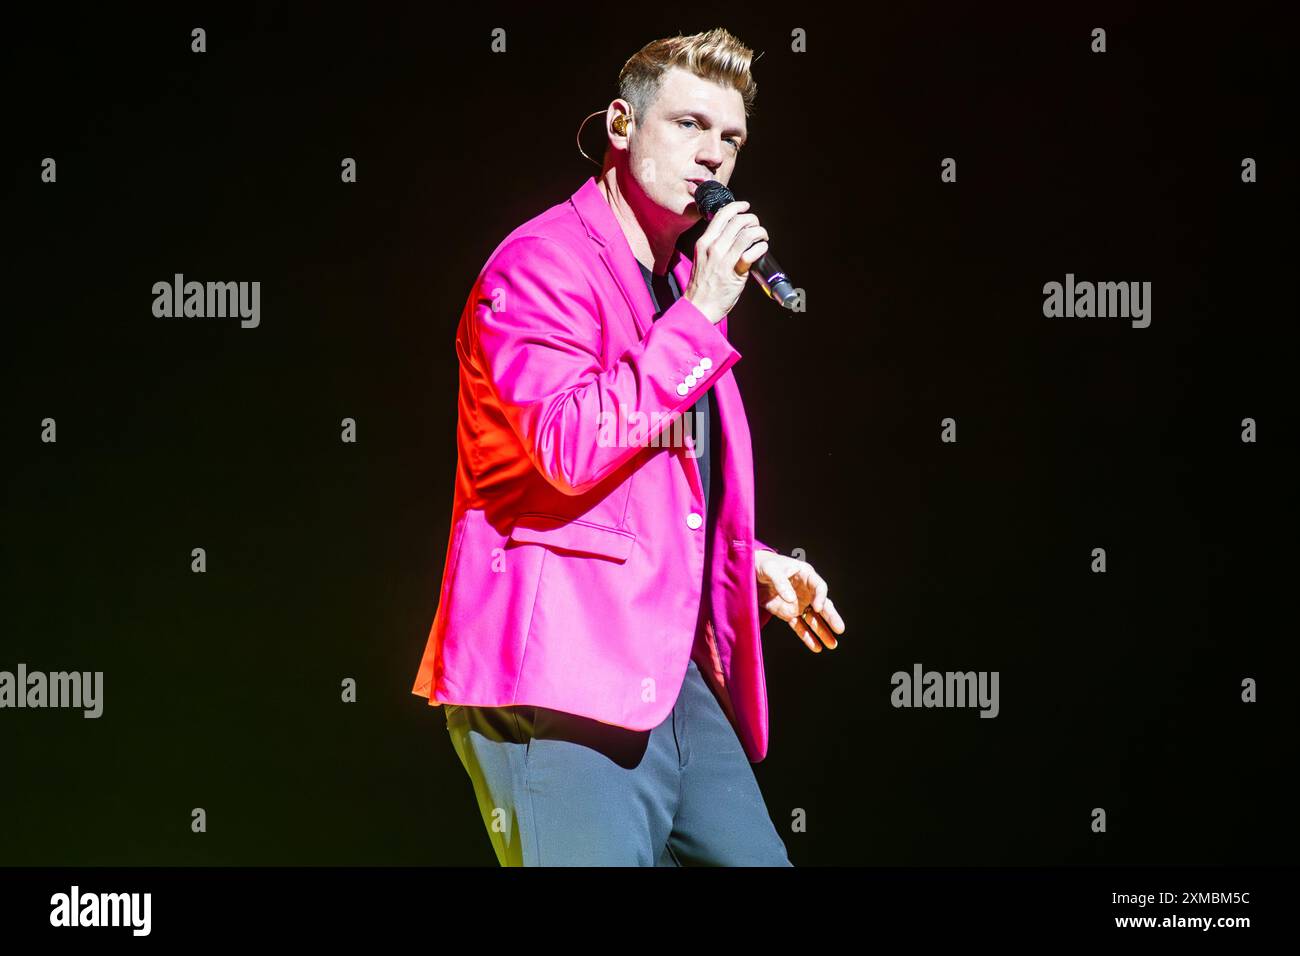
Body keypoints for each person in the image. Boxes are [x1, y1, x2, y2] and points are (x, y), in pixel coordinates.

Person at [410, 26, 846, 866]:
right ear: (621, 124)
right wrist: (701, 317)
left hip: (666, 668)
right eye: (688, 124)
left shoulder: (675, 284)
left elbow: (651, 475)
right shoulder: (541, 264)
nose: (712, 154)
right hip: (560, 674)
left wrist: (751, 560)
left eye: (730, 139)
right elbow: (568, 446)